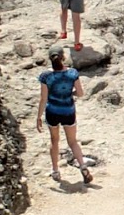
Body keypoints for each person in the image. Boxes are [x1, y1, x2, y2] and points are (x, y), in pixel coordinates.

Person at [36, 48, 91, 184]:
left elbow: (43, 98)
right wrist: (68, 95)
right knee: (72, 141)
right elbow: (80, 93)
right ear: (63, 57)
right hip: (68, 111)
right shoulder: (72, 73)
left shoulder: (45, 76)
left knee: (54, 141)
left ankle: (55, 170)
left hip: (52, 112)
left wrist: (38, 117)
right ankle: (83, 166)